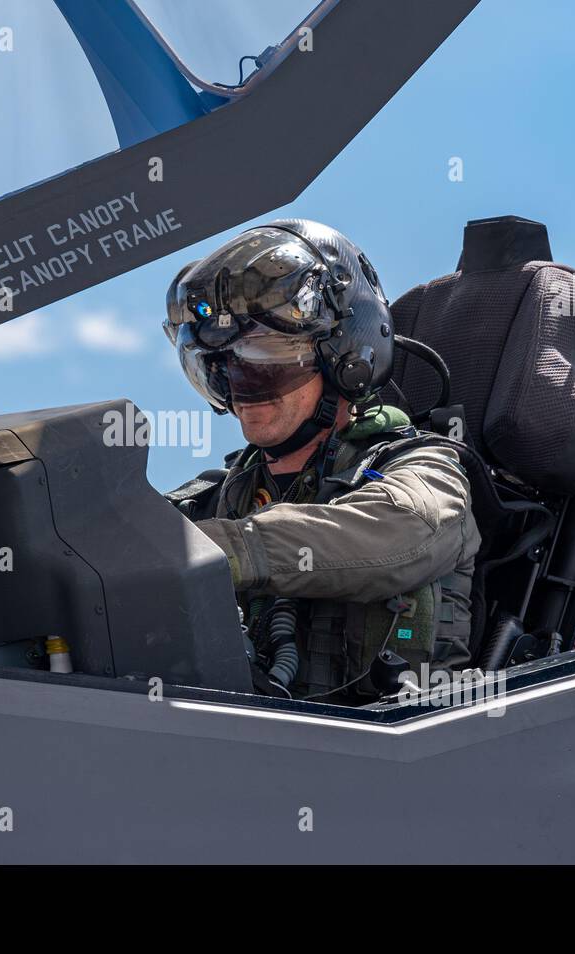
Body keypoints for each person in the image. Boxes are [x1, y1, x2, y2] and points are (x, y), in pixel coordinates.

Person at [163, 219, 480, 704]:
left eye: (266, 362)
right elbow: (131, 546)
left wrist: (233, 550)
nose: (241, 389)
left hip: (398, 759)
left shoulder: (425, 468)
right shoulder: (222, 497)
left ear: (347, 360)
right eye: (225, 368)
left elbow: (405, 527)